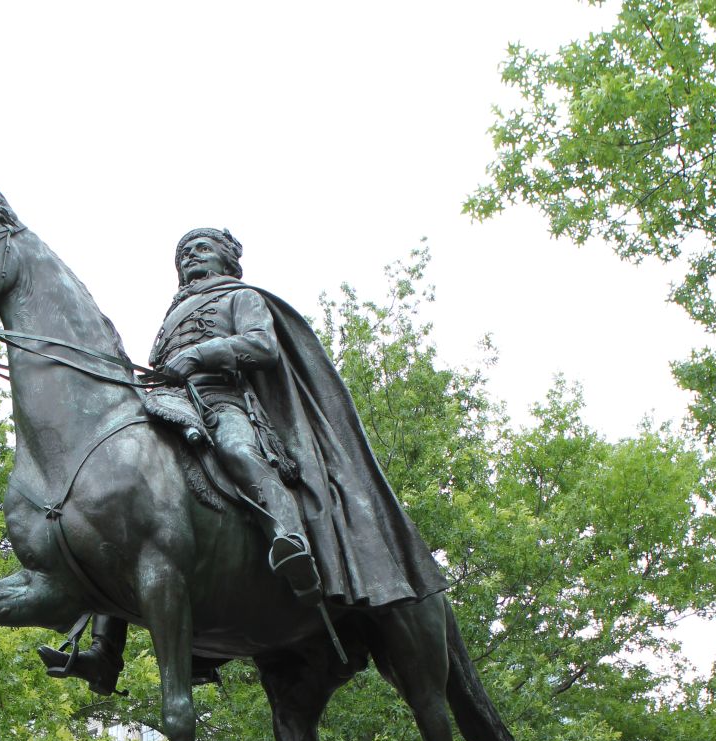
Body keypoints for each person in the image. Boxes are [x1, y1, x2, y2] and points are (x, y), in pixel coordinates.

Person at [52, 227, 445, 696]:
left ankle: (290, 538)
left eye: (200, 249)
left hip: (224, 401)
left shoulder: (240, 297)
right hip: (170, 405)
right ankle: (104, 653)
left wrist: (200, 354)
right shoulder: (171, 316)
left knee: (239, 451)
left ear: (226, 258)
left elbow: (262, 346)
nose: (189, 259)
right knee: (122, 503)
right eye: (182, 254)